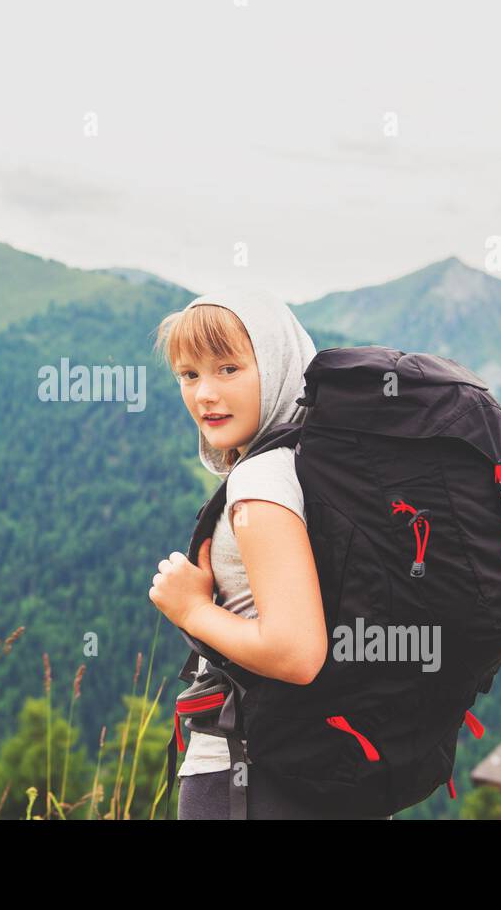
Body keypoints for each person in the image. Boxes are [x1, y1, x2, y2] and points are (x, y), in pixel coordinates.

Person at [150, 288, 392, 820]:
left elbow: (296, 652)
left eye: (228, 368)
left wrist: (192, 610)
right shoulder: (312, 465)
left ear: (281, 367)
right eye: (189, 375)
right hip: (322, 763)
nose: (204, 394)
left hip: (246, 772)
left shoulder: (261, 480)